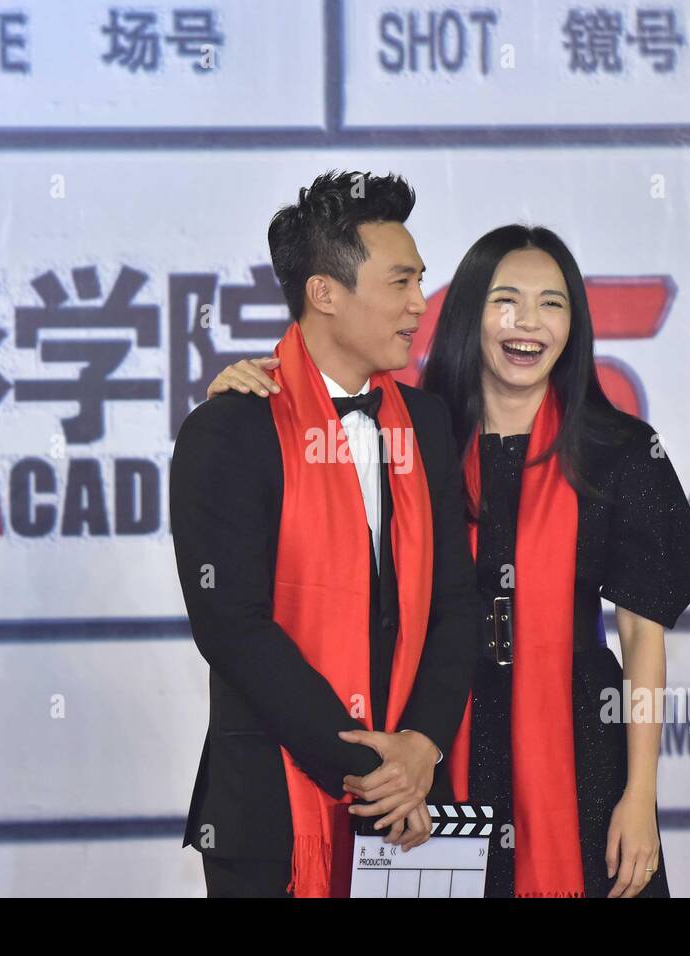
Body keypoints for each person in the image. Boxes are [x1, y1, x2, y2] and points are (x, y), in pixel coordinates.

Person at [207, 223, 690, 897]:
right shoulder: (415, 431)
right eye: (507, 301)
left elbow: (642, 637)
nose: (529, 323)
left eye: (553, 304)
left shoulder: (621, 451)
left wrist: (640, 795)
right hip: (437, 734)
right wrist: (251, 388)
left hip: (581, 749)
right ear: (470, 313)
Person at [169, 171, 478, 898]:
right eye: (401, 282)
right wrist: (373, 775)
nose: (419, 303)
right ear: (325, 293)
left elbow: (456, 604)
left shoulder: (427, 424)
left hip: (414, 802)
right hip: (273, 812)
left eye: (421, 281)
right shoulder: (231, 427)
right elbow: (232, 626)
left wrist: (422, 749)